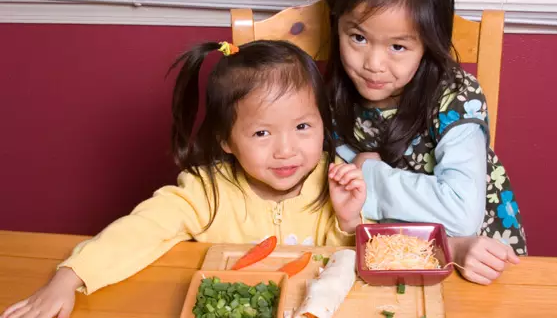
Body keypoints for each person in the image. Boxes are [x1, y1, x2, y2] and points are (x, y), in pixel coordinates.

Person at [1, 40, 366, 318]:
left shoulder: (332, 182)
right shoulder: (206, 192)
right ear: (226, 141)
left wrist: (349, 220)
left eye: (302, 127)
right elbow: (141, 230)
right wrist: (68, 278)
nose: (286, 150)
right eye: (261, 134)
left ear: (323, 124)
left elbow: (352, 264)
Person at [323, 0, 526, 285]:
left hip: (473, 260)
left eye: (398, 46)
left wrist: (368, 173)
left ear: (429, 43)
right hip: (384, 254)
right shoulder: (331, 94)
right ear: (337, 25)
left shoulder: (456, 96)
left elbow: (461, 215)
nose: (373, 64)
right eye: (357, 38)